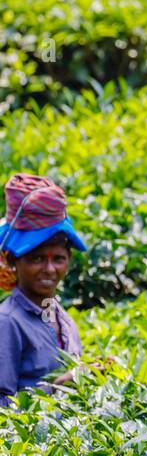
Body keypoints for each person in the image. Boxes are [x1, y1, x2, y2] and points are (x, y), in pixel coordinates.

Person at [0, 173, 92, 407]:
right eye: (37, 258)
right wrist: (55, 389)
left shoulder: (63, 318)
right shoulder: (8, 322)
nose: (49, 269)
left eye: (58, 259)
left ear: (69, 259)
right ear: (13, 261)